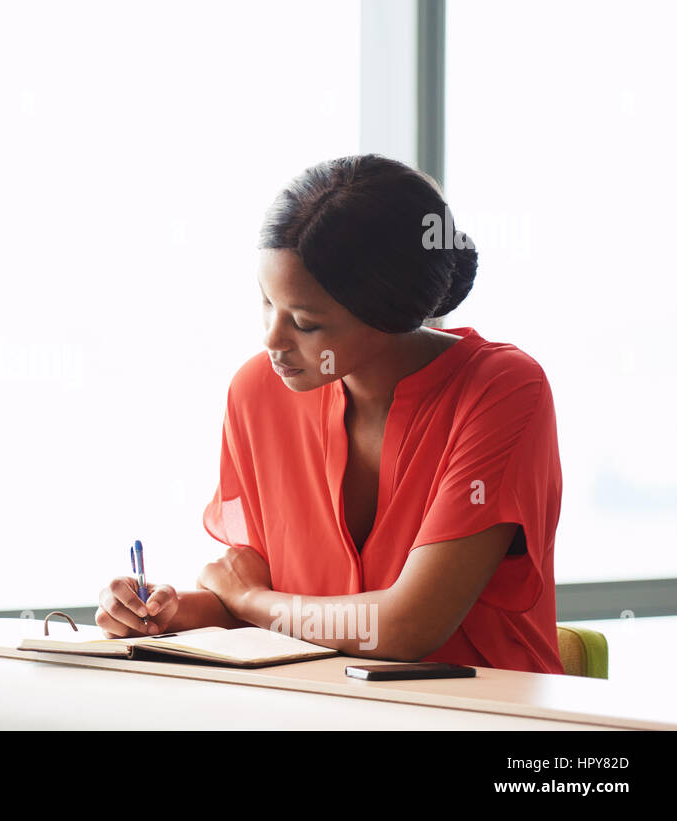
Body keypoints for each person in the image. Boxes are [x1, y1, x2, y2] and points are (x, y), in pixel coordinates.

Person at [95, 154, 564, 674]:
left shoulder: (502, 390)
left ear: (387, 314)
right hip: (325, 711)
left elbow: (407, 627)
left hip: (489, 716)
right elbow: (276, 604)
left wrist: (247, 600)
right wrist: (168, 612)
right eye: (267, 303)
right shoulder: (256, 393)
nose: (272, 340)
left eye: (305, 323)